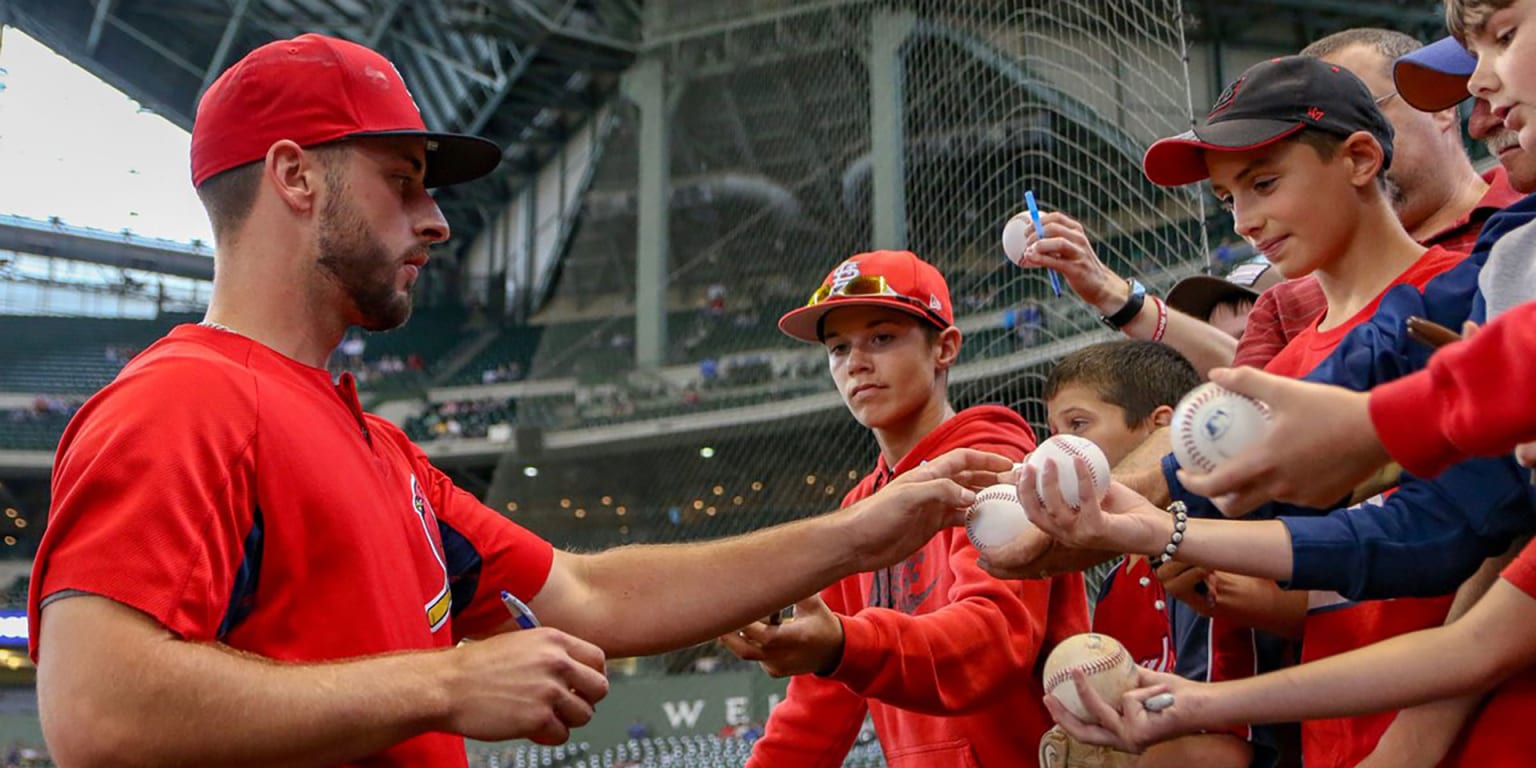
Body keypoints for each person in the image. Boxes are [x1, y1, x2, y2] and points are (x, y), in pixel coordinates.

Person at [27, 35, 1013, 767]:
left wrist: (862, 536)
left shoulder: (378, 447)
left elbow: (590, 596)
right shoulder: (183, 399)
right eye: (403, 181)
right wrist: (448, 680)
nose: (437, 220)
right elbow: (95, 712)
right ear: (294, 176)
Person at [720, 250, 1090, 768]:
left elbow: (991, 646)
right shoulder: (860, 507)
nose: (856, 363)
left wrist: (842, 646)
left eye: (882, 338)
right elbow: (816, 711)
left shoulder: (997, 464)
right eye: (838, 347)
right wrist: (833, 651)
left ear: (945, 347)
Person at [1042, 341, 1262, 768]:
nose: (1059, 451)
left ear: (1160, 427)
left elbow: (1229, 748)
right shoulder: (1115, 581)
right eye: (1054, 435)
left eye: (1078, 425)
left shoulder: (1211, 549)